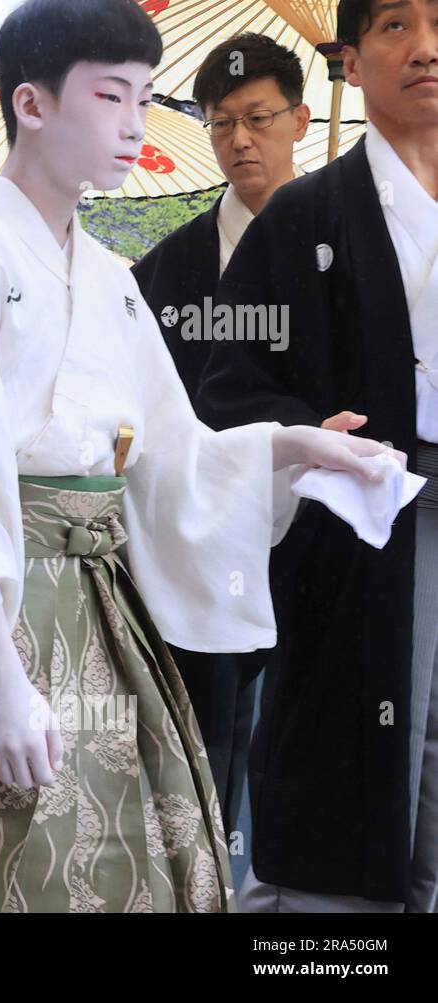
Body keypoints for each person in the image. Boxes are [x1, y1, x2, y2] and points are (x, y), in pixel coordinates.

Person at [0, 0, 400, 913]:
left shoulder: (108, 278)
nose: (136, 126)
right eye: (112, 96)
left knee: (124, 863)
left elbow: (175, 455)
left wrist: (289, 451)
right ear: (31, 104)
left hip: (100, 608)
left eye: (146, 99)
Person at [196, 0, 438, 913]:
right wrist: (306, 434)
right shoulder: (302, 217)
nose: (425, 49)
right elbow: (227, 387)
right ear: (349, 62)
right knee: (356, 774)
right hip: (360, 535)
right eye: (395, 27)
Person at [131, 33, 312, 839]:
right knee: (210, 733)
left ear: (300, 119)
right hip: (206, 531)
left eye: (259, 118)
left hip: (329, 531)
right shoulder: (163, 274)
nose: (241, 139)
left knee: (319, 737)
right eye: (221, 122)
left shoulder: (360, 242)